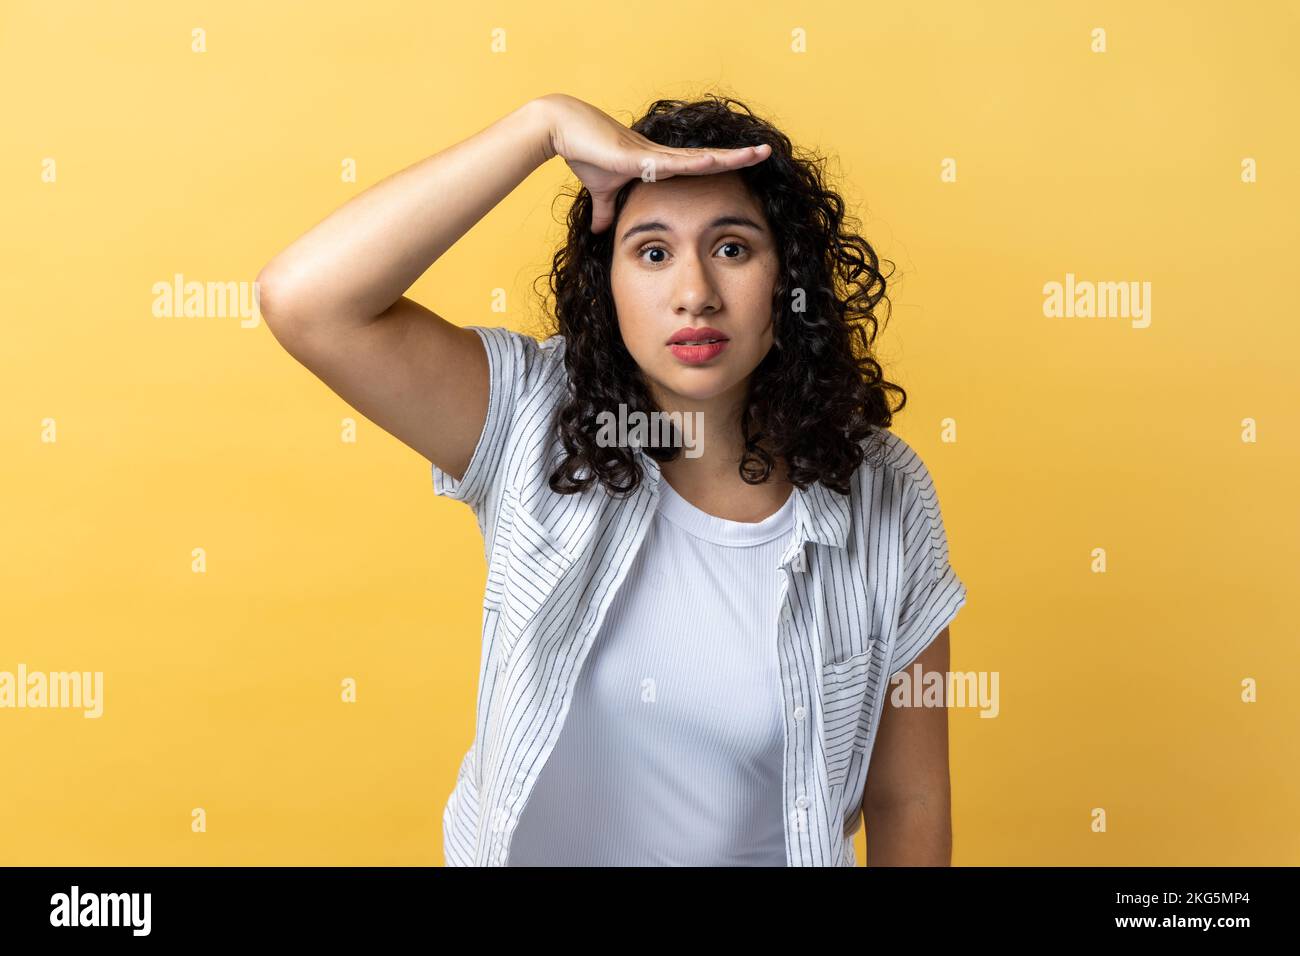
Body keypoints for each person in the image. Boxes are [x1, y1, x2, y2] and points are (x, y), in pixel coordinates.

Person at [257, 92, 968, 867]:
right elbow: (307, 301)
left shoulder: (884, 490)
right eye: (653, 253)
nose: (694, 293)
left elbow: (909, 800)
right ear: (609, 284)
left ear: (787, 275)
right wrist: (541, 126)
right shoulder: (531, 419)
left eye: (732, 248)